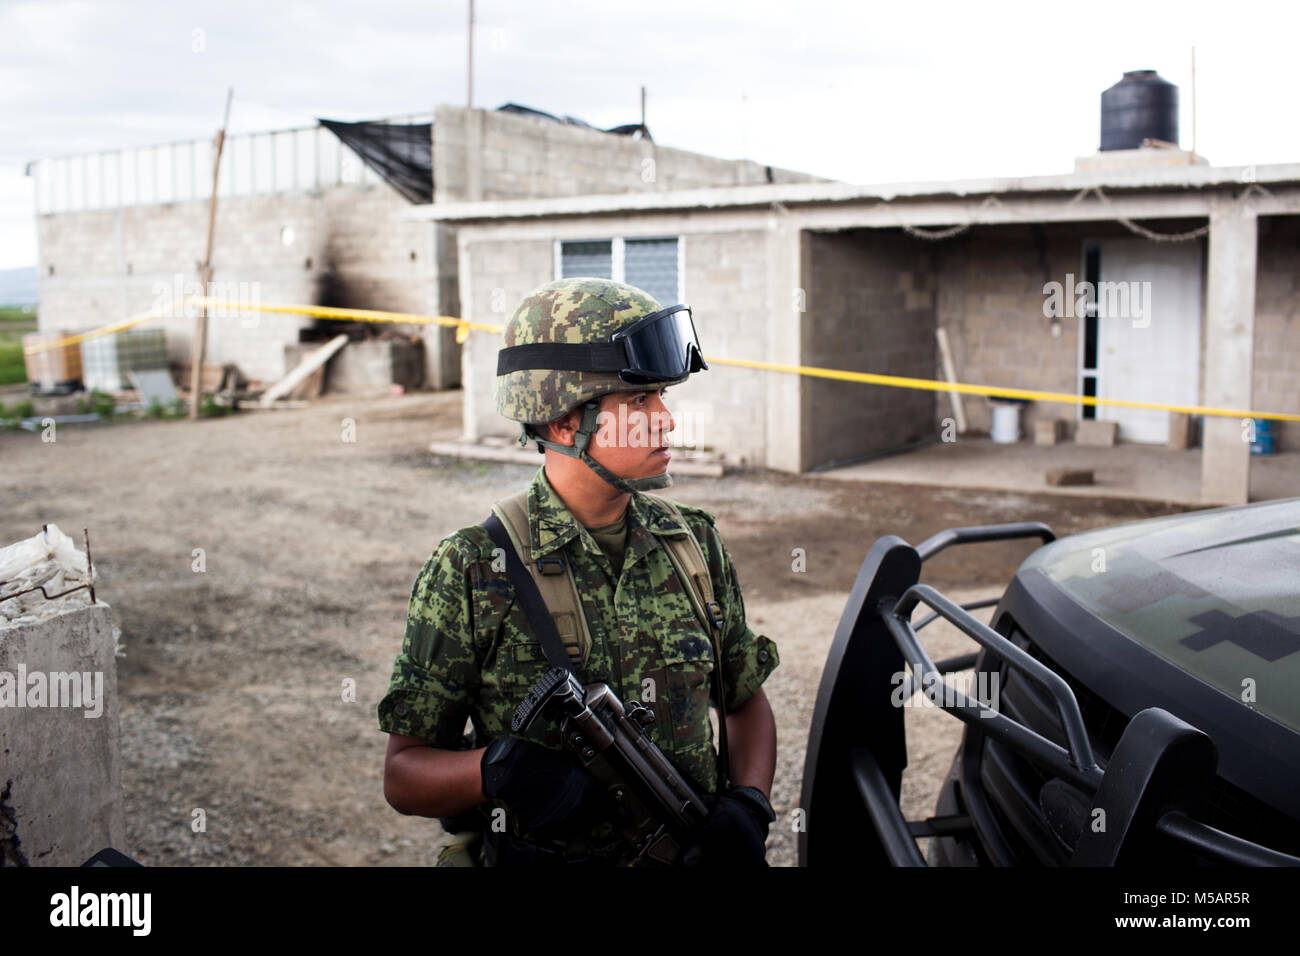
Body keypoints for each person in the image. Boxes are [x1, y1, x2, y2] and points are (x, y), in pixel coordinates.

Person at [377, 277, 779, 865]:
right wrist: (497, 770)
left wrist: (749, 804)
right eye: (639, 401)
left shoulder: (695, 543)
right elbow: (405, 774)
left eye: (663, 397)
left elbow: (744, 700)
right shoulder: (471, 568)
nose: (666, 419)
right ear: (565, 421)